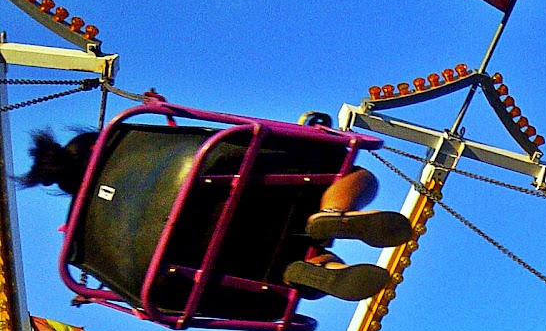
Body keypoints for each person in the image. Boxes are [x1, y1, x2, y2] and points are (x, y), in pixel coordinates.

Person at [22, 126, 412, 304]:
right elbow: (236, 137)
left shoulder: (86, 246)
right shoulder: (139, 145)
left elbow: (149, 304)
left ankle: (319, 271)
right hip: (258, 193)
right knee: (356, 175)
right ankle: (333, 212)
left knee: (292, 267)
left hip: (229, 269)